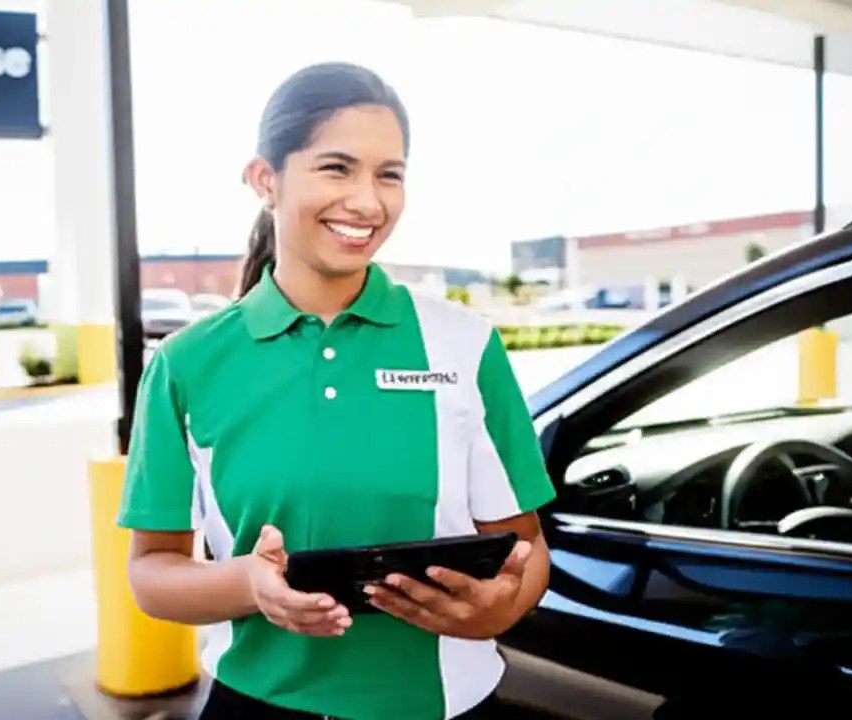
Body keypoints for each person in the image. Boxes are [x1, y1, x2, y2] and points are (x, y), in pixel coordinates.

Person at [117, 61, 556, 720]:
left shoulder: (466, 345)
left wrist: (498, 609)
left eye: (389, 175)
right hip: (255, 707)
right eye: (337, 168)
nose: (368, 203)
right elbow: (152, 572)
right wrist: (251, 584)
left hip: (441, 708)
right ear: (265, 180)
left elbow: (527, 549)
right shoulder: (186, 364)